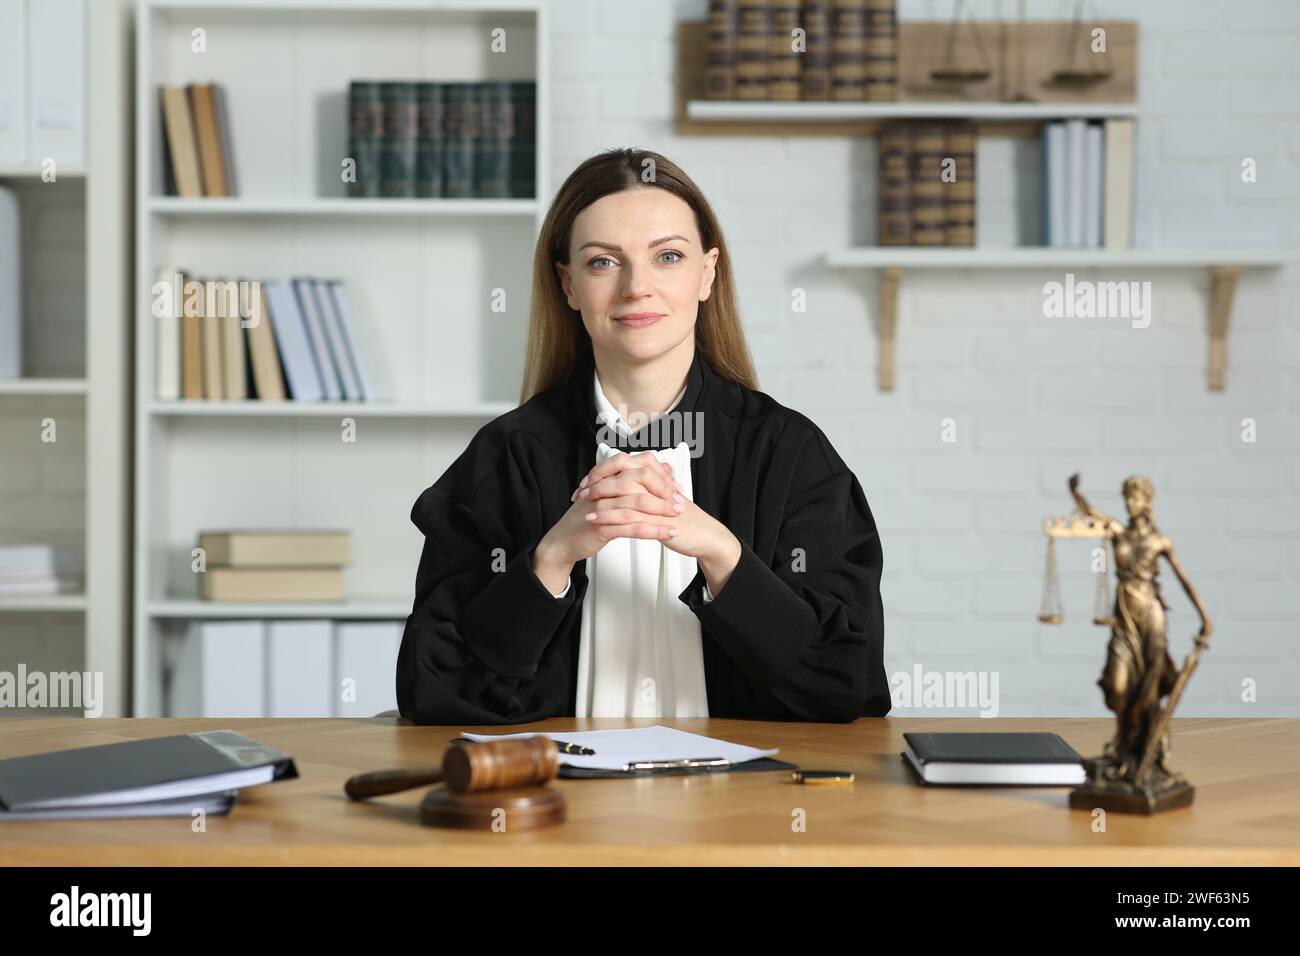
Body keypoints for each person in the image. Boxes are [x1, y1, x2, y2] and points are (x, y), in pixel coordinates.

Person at [396, 147, 889, 724]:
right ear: (569, 284)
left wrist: (720, 551)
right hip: (560, 803)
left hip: (747, 804)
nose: (636, 287)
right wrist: (551, 558)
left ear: (707, 274)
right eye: (604, 262)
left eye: (668, 257)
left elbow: (846, 687)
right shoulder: (505, 458)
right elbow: (432, 693)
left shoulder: (790, 453)